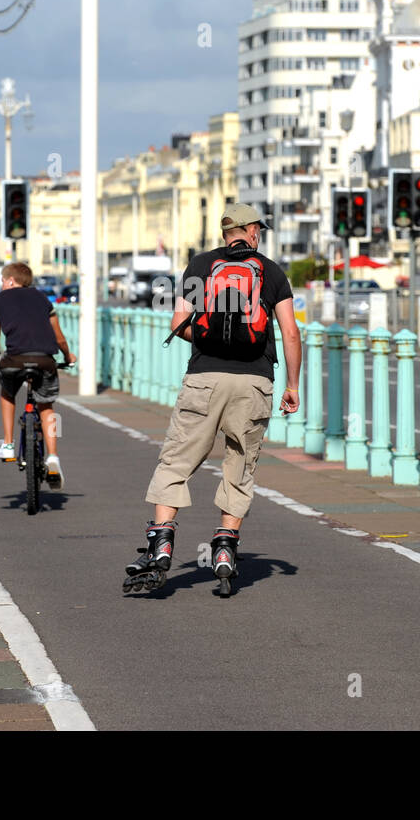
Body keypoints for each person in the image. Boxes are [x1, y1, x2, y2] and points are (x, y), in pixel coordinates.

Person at [123, 203, 301, 595]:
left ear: (225, 232)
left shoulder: (199, 267)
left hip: (204, 378)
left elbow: (178, 324)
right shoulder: (271, 272)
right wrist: (292, 386)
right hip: (254, 382)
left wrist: (208, 338)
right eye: (259, 230)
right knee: (240, 464)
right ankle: (224, 547)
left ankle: (162, 540)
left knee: (177, 460)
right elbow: (290, 333)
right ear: (252, 230)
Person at [0, 262, 73, 488]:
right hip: (45, 360)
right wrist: (68, 355)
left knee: (7, 392)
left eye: (4, 280)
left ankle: (7, 444)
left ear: (11, 281)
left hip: (14, 359)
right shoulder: (43, 299)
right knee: (46, 407)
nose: (2, 284)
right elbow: (59, 337)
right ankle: (53, 457)